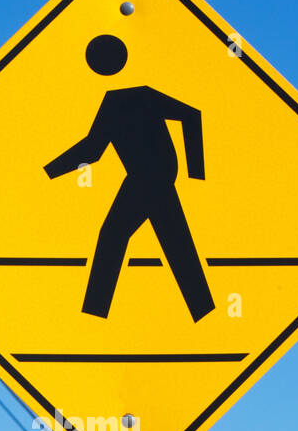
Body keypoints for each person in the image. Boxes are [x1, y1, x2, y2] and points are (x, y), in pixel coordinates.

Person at [44, 35, 215, 322]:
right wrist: (50, 171)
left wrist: (196, 172)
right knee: (173, 242)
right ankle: (204, 312)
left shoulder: (136, 96)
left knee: (115, 235)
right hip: (148, 177)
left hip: (151, 177)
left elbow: (191, 115)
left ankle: (94, 314)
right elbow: (94, 149)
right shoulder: (120, 99)